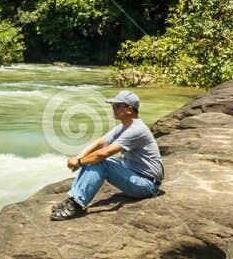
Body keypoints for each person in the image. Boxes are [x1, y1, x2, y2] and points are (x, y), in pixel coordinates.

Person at [50, 90, 164, 221]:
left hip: (147, 184)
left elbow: (104, 153)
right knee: (95, 159)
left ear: (129, 109)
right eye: (113, 106)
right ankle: (73, 199)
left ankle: (76, 204)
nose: (113, 109)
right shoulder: (124, 126)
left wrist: (80, 162)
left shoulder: (137, 130)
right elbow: (100, 142)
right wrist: (78, 157)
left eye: (117, 106)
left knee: (101, 161)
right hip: (135, 175)